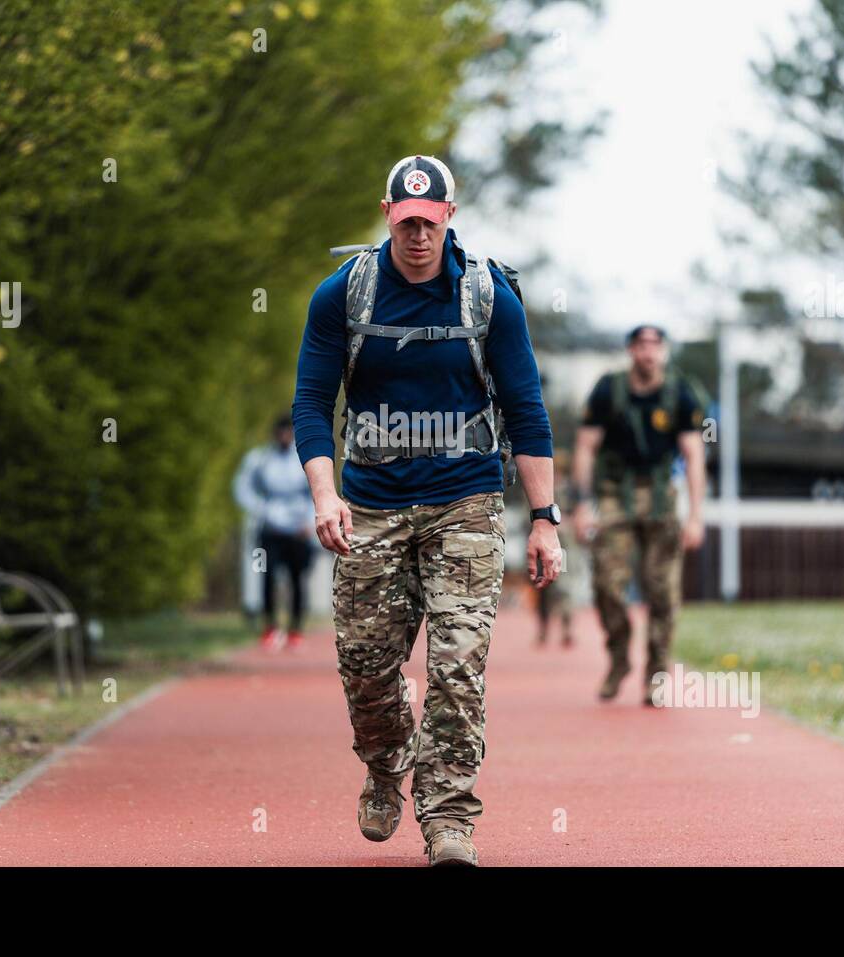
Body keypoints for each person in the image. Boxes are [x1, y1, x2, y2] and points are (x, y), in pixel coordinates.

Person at [292, 155, 561, 866]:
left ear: (450, 218)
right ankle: (387, 762)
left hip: (464, 503)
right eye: (407, 222)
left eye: (431, 223)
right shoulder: (341, 296)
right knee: (368, 668)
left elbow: (526, 411)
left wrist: (545, 517)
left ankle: (449, 822)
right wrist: (325, 493)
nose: (418, 236)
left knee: (456, 667)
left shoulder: (488, 296)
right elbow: (313, 405)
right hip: (371, 505)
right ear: (387, 214)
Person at [571, 324, 707, 704]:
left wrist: (695, 515)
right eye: (641, 345)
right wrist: (581, 505)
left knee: (663, 591)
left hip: (662, 497)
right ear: (631, 350)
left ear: (663, 351)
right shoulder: (608, 390)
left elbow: (695, 455)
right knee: (607, 586)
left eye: (655, 345)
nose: (648, 352)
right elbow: (584, 448)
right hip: (614, 495)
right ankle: (619, 658)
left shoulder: (680, 392)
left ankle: (657, 674)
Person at [233, 415, 316, 651]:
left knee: (298, 579)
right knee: (267, 577)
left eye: (288, 432)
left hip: (298, 529)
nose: (284, 437)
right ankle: (269, 628)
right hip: (270, 529)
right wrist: (261, 510)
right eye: (280, 432)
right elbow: (242, 487)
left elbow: (315, 490)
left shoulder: (304, 459)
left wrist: (310, 522)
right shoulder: (260, 459)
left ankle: (295, 629)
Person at [535, 447, 575, 648]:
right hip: (542, 545)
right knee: (543, 587)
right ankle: (543, 629)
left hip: (562, 545)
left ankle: (567, 628)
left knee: (563, 586)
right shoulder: (543, 488)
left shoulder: (569, 490)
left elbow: (576, 514)